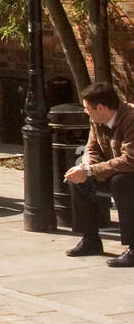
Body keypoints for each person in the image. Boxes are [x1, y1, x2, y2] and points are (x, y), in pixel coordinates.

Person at [63, 81, 134, 266]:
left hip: (128, 173)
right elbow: (92, 149)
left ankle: (133, 249)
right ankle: (90, 239)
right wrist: (84, 168)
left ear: (101, 108)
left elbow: (130, 160)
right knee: (77, 179)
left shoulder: (131, 118)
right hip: (115, 170)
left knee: (121, 182)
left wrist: (90, 170)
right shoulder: (97, 120)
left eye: (87, 108)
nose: (85, 111)